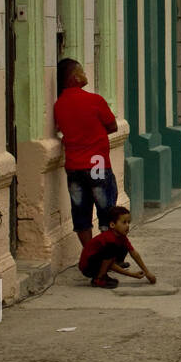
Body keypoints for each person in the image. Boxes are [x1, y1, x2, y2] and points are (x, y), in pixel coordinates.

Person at [54, 58, 119, 251]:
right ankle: (106, 257)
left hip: (74, 165)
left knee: (81, 214)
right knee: (107, 212)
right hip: (97, 163)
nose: (85, 74)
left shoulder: (59, 105)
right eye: (82, 71)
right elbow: (112, 126)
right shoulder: (94, 100)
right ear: (74, 77)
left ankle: (90, 254)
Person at [78, 206, 156, 290]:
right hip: (88, 267)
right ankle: (99, 279)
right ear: (112, 225)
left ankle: (103, 274)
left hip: (97, 261)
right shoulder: (109, 239)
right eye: (124, 222)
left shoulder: (121, 237)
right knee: (111, 249)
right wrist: (133, 275)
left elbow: (133, 253)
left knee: (124, 247)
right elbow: (110, 264)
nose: (127, 226)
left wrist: (147, 272)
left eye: (128, 222)